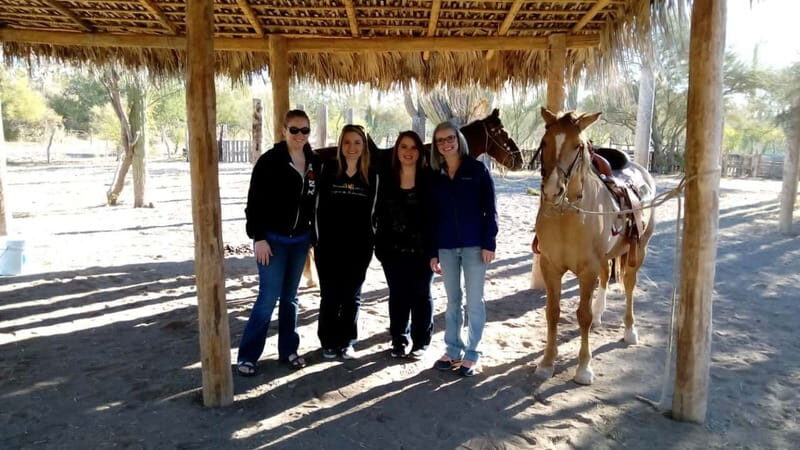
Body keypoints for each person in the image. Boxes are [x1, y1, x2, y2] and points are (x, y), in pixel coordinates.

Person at [237, 109, 317, 376]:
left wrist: (313, 237)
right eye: (294, 130)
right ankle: (248, 355)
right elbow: (254, 203)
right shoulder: (269, 161)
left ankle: (288, 349)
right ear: (284, 130)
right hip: (272, 241)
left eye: (304, 130)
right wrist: (258, 237)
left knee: (291, 298)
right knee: (268, 297)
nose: (299, 135)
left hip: (300, 241)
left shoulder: (314, 162)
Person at [428, 121, 498, 377]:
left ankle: (473, 352)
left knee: (474, 301)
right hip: (446, 247)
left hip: (474, 246)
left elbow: (490, 209)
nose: (446, 144)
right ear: (436, 146)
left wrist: (489, 242)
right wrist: (432, 251)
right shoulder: (436, 175)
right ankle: (453, 348)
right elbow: (431, 216)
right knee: (453, 301)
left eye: (450, 138)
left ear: (458, 139)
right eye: (440, 141)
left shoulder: (477, 169)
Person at [314, 124, 378, 360]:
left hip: (359, 247)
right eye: (347, 142)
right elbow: (317, 207)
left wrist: (371, 240)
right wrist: (318, 240)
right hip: (329, 246)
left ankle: (347, 341)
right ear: (341, 145)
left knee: (352, 295)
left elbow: (375, 211)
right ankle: (328, 342)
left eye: (357, 142)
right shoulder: (328, 170)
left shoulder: (372, 175)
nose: (352, 147)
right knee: (330, 294)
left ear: (364, 147)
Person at [375, 131, 434, 359]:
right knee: (398, 295)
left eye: (413, 148)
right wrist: (381, 248)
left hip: (423, 250)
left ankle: (421, 342)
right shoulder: (387, 177)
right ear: (396, 151)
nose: (408, 152)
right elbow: (378, 213)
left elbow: (435, 216)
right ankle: (398, 339)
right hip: (392, 250)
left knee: (421, 294)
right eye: (403, 147)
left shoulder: (429, 178)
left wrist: (434, 250)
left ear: (420, 152)